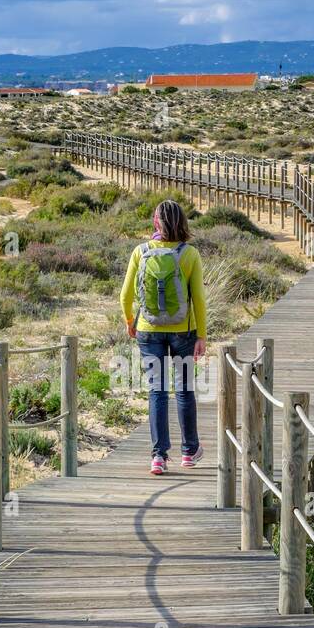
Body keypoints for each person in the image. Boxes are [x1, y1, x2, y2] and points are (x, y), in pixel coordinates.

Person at [120, 199, 207, 476]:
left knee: (157, 391)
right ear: (182, 222)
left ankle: (159, 457)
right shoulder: (189, 254)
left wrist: (130, 321)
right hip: (183, 331)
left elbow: (125, 296)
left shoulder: (140, 251)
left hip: (148, 330)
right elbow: (200, 301)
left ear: (155, 222)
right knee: (184, 389)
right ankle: (189, 451)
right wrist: (201, 335)